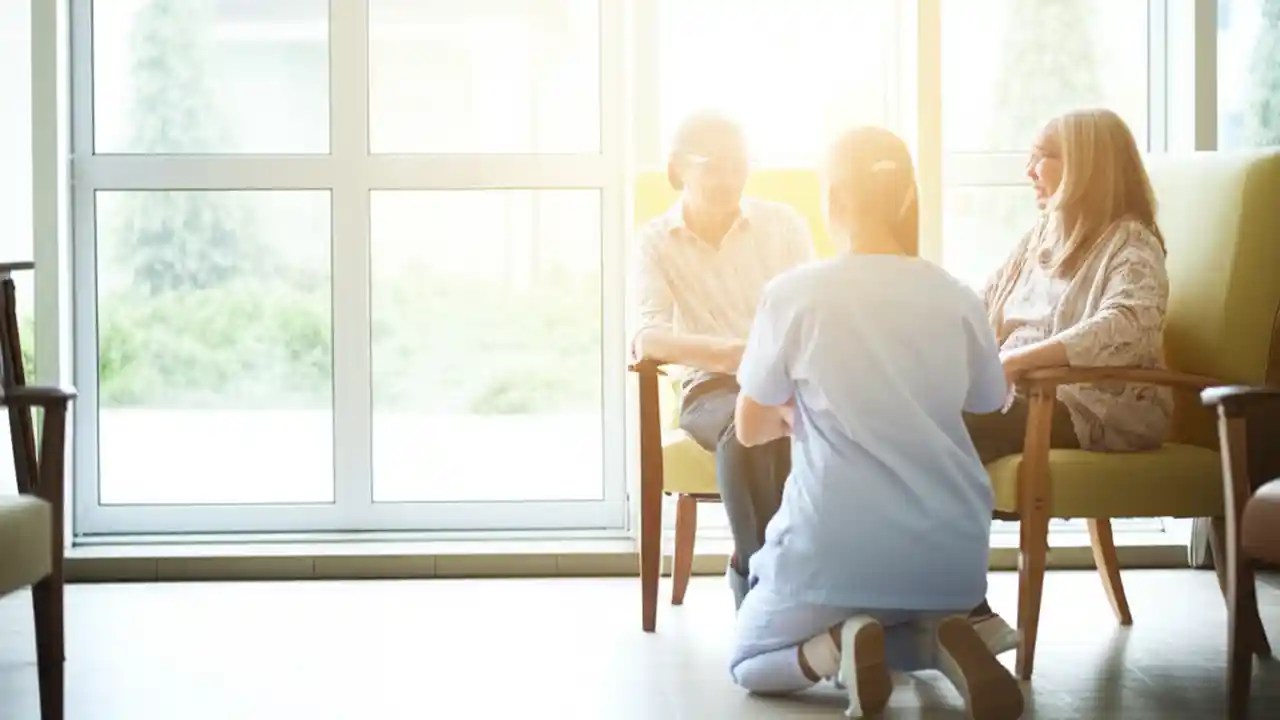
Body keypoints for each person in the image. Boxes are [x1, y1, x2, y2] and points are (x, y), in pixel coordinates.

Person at [728, 126, 1024, 719]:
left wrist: (794, 414)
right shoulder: (958, 296)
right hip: (952, 558)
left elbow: (747, 429)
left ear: (832, 200)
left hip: (832, 550)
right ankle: (942, 639)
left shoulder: (795, 294)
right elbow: (992, 401)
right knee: (914, 601)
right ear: (908, 198)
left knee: (748, 661)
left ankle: (838, 644)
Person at [963, 107, 1173, 640]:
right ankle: (928, 598)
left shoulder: (1131, 243)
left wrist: (1015, 362)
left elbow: (1127, 325)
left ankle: (961, 605)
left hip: (1093, 405)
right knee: (908, 410)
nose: (1028, 170)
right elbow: (980, 306)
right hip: (1025, 394)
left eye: (1042, 157)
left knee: (944, 425)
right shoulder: (1042, 236)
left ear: (1085, 166)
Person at [630, 111, 814, 608]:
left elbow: (812, 312)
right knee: (746, 431)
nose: (727, 178)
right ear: (678, 170)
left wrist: (769, 366)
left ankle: (766, 578)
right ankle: (765, 586)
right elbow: (648, 338)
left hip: (787, 380)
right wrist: (734, 355)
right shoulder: (656, 239)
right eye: (711, 166)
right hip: (710, 387)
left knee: (780, 423)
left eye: (737, 165)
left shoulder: (782, 225)